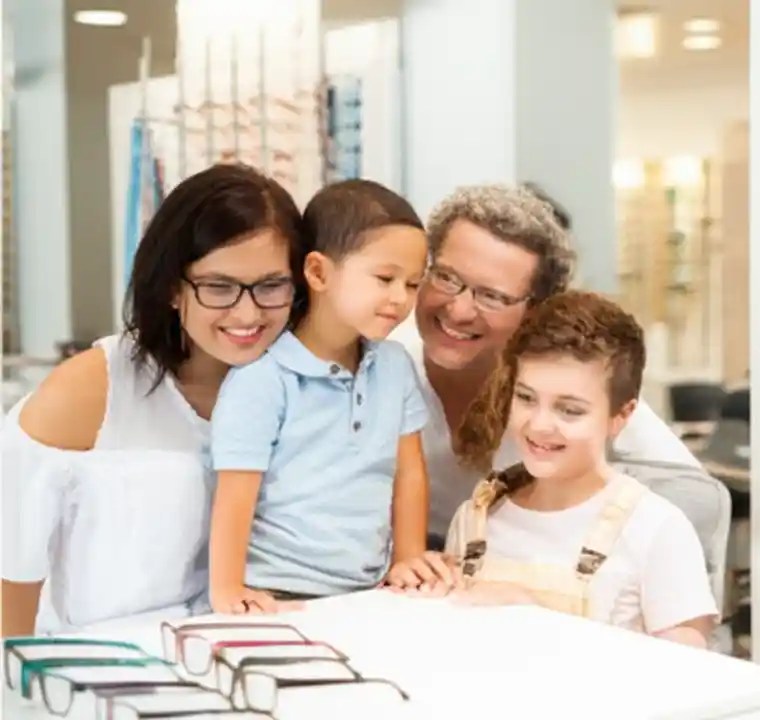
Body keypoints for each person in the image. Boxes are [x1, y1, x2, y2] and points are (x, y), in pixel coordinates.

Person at [1, 164, 307, 636]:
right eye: (218, 287)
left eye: (271, 286)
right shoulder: (89, 390)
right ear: (171, 287)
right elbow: (11, 567)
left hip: (251, 661)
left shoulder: (307, 389)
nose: (247, 313)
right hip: (99, 678)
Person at [387, 185, 701, 549]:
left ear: (534, 310)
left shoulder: (567, 388)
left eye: (493, 296)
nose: (458, 310)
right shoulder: (383, 371)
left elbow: (695, 497)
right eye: (446, 277)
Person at [443, 291, 719, 648]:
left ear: (621, 416)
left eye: (569, 410)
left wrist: (534, 613)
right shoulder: (475, 517)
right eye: (526, 398)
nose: (539, 425)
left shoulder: (657, 529)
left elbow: (690, 679)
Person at [207, 180, 434, 614]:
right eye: (385, 278)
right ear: (318, 273)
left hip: (367, 594)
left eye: (412, 284)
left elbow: (409, 474)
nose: (400, 298)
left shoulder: (394, 365)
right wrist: (227, 588)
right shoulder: (264, 378)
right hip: (276, 593)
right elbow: (235, 492)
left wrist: (408, 557)